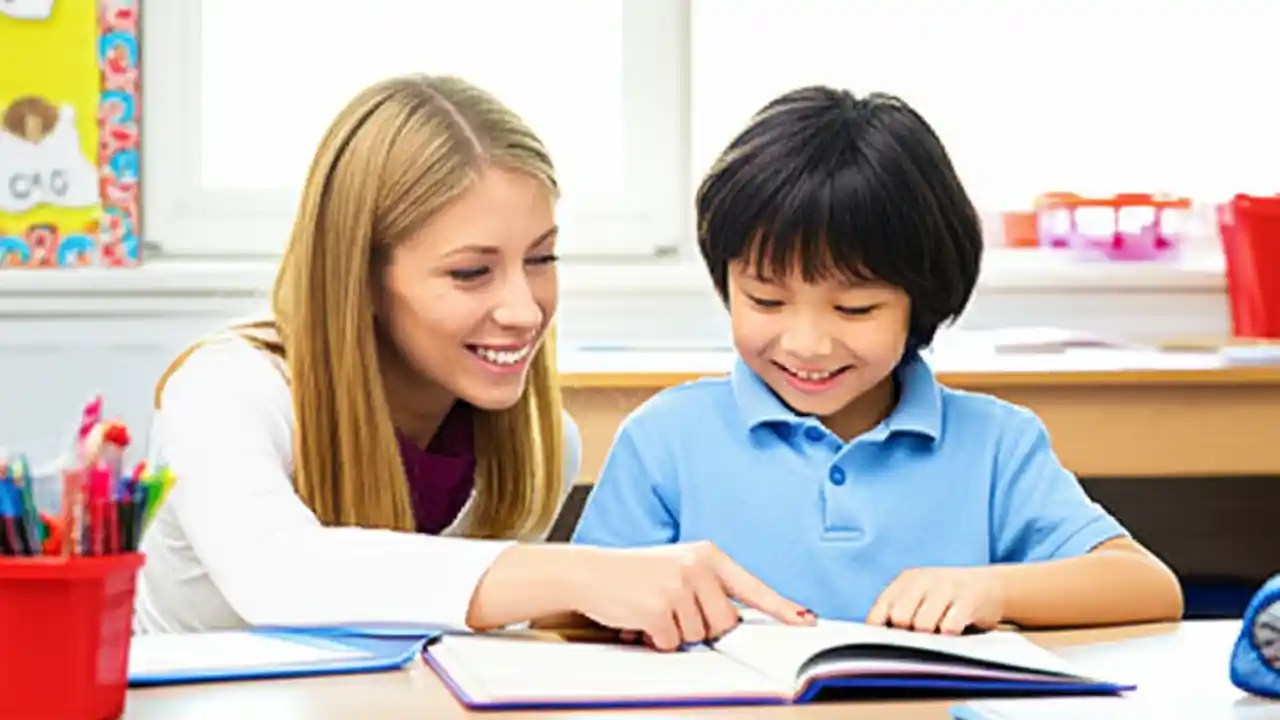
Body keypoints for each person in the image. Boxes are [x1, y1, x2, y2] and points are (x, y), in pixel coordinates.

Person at [133, 74, 812, 650]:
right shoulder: (224, 392)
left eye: (541, 258)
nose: (524, 309)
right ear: (360, 277)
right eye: (469, 272)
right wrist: (577, 574)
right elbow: (277, 574)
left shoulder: (538, 448)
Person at [572, 85, 1184, 635]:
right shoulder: (666, 439)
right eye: (766, 300)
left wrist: (993, 589)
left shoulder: (996, 445)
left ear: (920, 299)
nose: (807, 344)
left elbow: (1148, 586)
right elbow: (570, 614)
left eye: (855, 309)